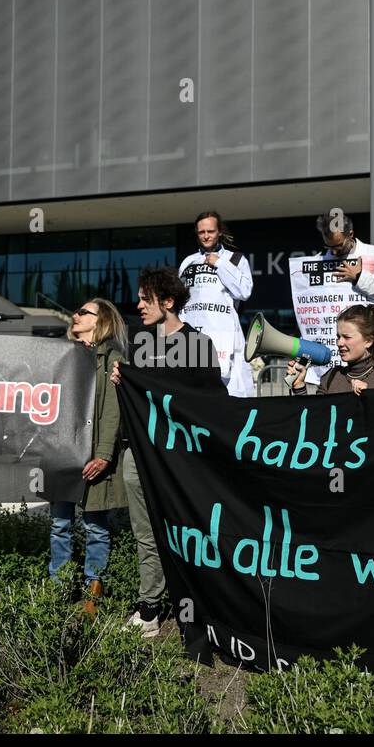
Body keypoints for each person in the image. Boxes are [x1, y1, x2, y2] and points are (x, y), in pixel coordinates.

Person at [110, 267, 225, 637]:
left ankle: (204, 604)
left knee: (190, 529)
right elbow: (135, 397)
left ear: (169, 302)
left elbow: (212, 405)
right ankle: (149, 610)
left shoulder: (198, 344)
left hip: (180, 459)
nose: (139, 304)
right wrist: (120, 383)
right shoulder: (139, 341)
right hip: (139, 455)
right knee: (145, 533)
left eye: (146, 298)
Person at [49, 298, 127, 614]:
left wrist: (105, 454)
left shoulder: (113, 358)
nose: (75, 315)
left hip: (94, 452)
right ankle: (58, 588)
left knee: (95, 524)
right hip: (62, 452)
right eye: (76, 311)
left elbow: (113, 410)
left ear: (101, 320)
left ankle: (92, 593)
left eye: (83, 312)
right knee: (59, 523)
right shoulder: (62, 355)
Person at [298, 212, 374, 388]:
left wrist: (360, 277)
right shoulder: (319, 261)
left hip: (373, 361)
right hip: (333, 368)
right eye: (329, 246)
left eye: (339, 245)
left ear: (350, 234)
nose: (335, 251)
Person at [177, 210, 255, 397]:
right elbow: (179, 302)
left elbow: (244, 291)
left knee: (230, 397)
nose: (206, 236)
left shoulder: (235, 259)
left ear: (219, 231)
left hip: (226, 339)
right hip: (193, 339)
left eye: (210, 231)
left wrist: (220, 264)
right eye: (201, 232)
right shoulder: (188, 262)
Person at [288, 304, 374, 395]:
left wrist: (371, 397)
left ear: (368, 341)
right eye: (338, 337)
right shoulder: (330, 377)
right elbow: (317, 420)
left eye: (347, 337)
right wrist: (299, 387)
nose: (339, 343)